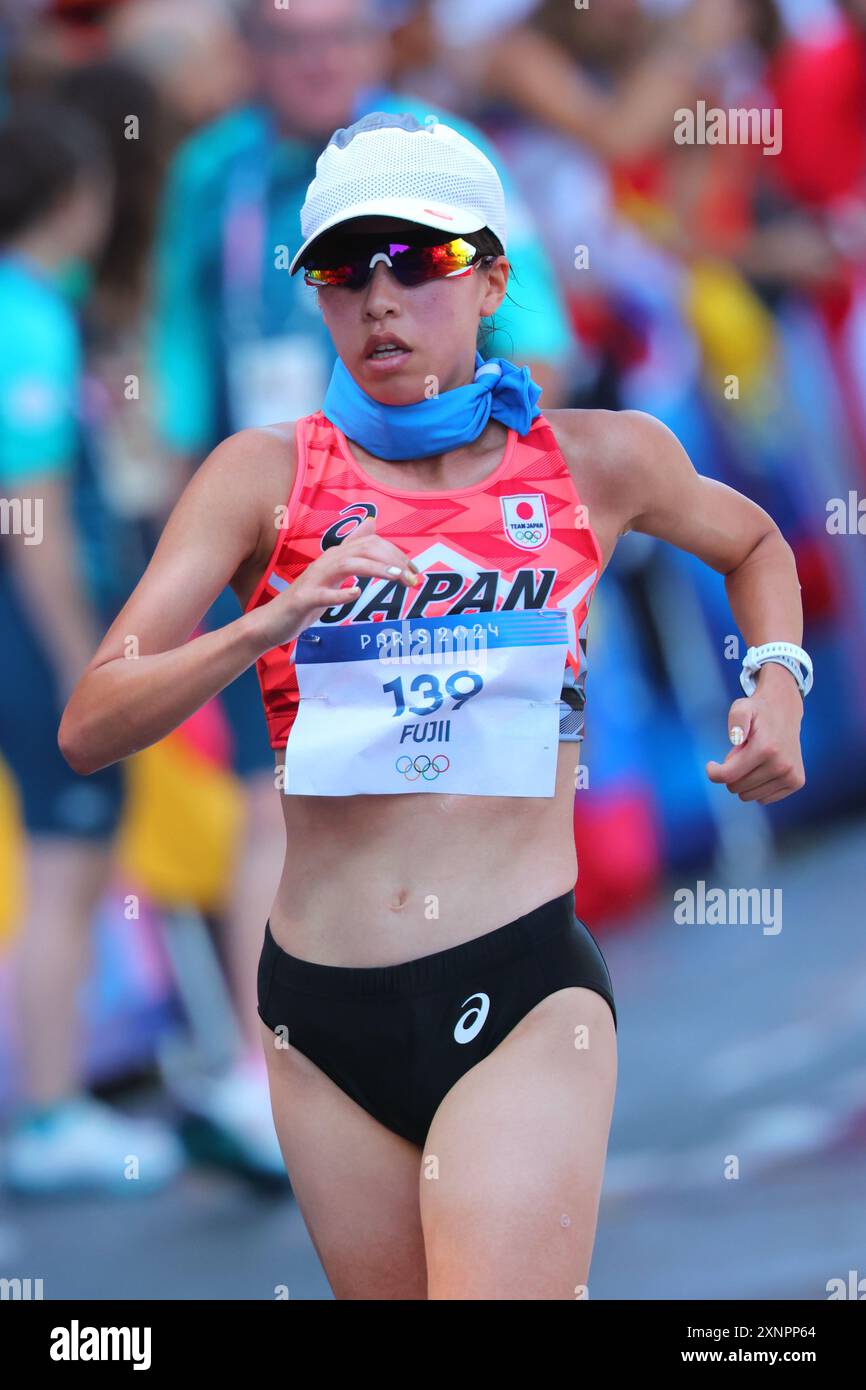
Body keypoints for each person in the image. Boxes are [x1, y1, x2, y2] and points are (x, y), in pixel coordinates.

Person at [60, 112, 810, 1298]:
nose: (380, 301)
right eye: (343, 272)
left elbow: (754, 539)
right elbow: (91, 723)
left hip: (519, 988)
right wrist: (263, 621)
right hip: (317, 1016)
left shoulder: (593, 460)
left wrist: (777, 683)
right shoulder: (263, 479)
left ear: (492, 277)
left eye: (418, 262)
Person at [0, 99, 182, 1194]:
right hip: (27, 626)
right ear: (74, 200)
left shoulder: (39, 311)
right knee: (66, 864)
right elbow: (32, 520)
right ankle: (51, 1112)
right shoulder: (25, 318)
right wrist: (86, 668)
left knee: (66, 862)